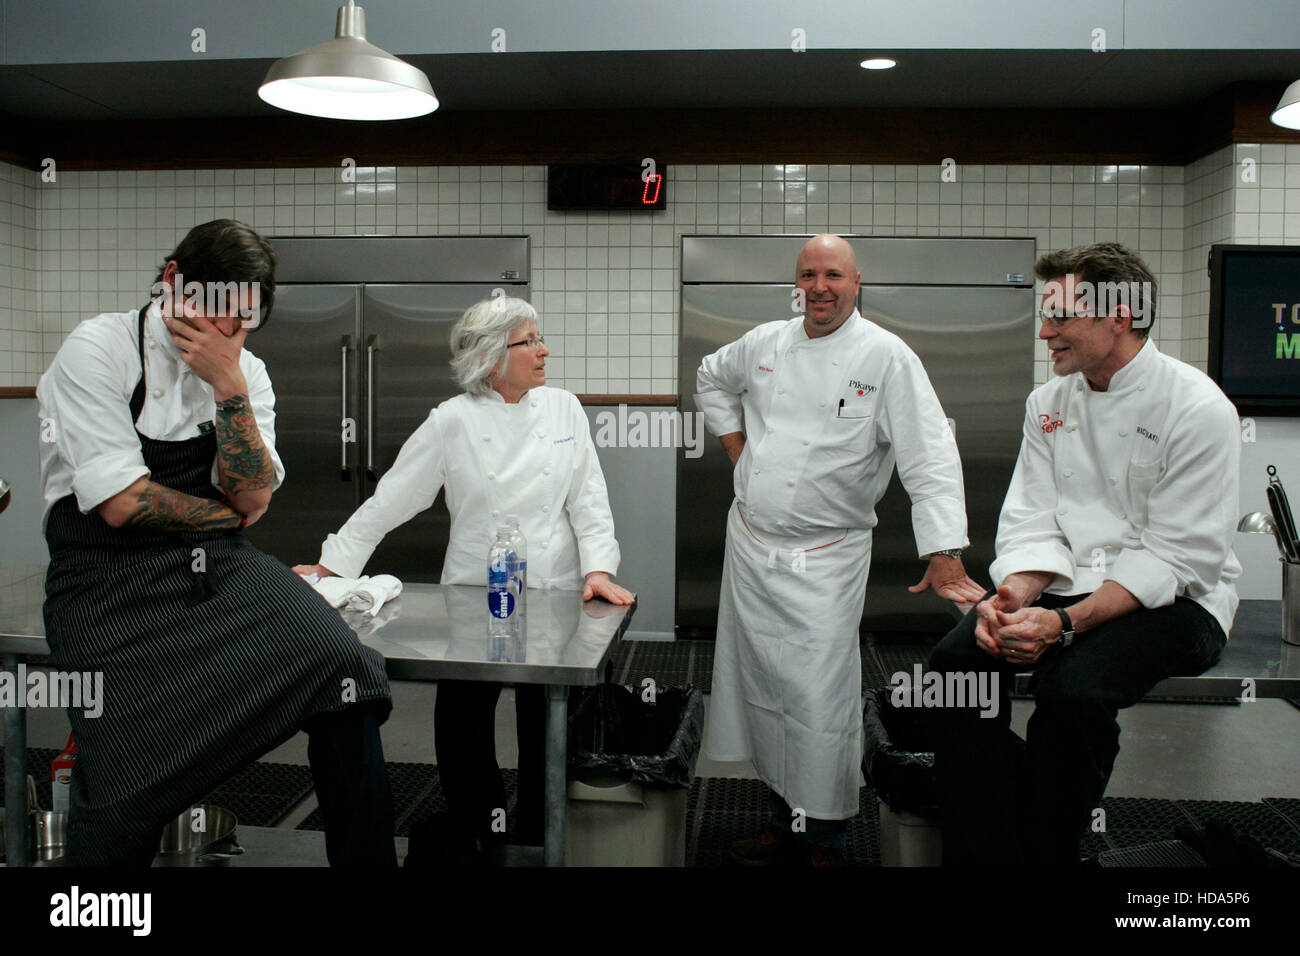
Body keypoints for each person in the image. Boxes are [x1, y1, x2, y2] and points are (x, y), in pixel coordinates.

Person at [37, 219, 396, 867]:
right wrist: (224, 517)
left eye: (243, 319)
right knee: (123, 785)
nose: (224, 332)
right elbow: (122, 504)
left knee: (343, 669)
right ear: (173, 280)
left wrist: (229, 390)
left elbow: (254, 498)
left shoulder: (245, 373)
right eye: (213, 308)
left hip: (217, 570)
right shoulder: (98, 350)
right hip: (104, 580)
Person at [928, 242, 1239, 866]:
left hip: (1179, 600)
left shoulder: (1198, 407)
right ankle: (992, 853)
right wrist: (1015, 596)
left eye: (1060, 315)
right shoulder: (1047, 405)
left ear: (1118, 316)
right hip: (1065, 586)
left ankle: (1044, 851)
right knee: (954, 668)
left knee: (1072, 692)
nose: (1045, 331)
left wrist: (1064, 625)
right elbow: (1033, 517)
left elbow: (1177, 556)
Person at [295, 296, 634, 849]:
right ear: (492, 357)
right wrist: (335, 565)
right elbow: (393, 499)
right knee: (462, 721)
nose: (544, 349)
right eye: (530, 341)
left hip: (551, 587)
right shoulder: (452, 421)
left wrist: (598, 568)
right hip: (477, 593)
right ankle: (477, 827)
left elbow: (589, 499)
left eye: (539, 337)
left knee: (546, 720)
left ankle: (535, 835)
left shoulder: (565, 408)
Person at [695, 234, 983, 867]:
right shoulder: (766, 342)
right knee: (761, 686)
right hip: (749, 546)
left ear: (857, 282)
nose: (818, 286)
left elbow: (929, 454)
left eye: (832, 274)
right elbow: (710, 378)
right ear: (795, 282)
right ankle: (779, 818)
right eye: (807, 274)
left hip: (825, 556)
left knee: (816, 697)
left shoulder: (886, 357)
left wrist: (944, 550)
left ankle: (824, 838)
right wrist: (738, 451)